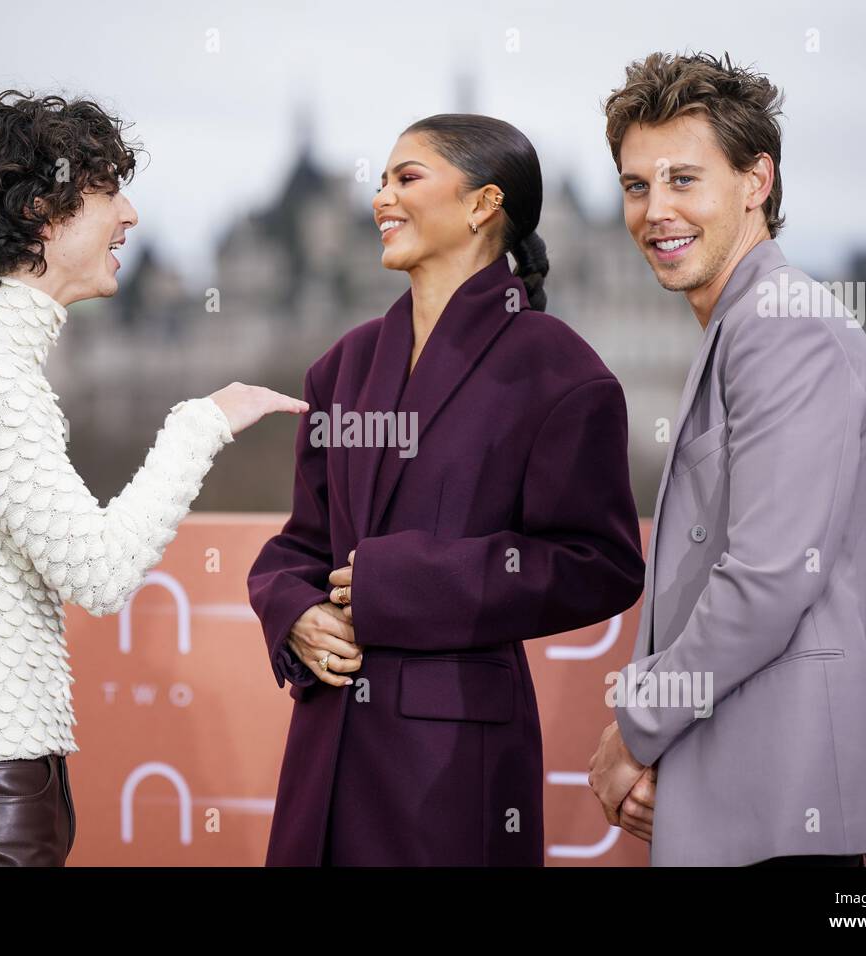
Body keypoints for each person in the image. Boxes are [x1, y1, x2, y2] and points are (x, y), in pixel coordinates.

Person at [0, 89, 305, 866]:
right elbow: (100, 572)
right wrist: (199, 424)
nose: (131, 214)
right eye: (107, 189)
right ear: (44, 209)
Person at [248, 113, 646, 865]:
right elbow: (300, 544)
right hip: (325, 748)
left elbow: (603, 563)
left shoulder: (562, 371)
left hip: (453, 767)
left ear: (481, 204)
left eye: (407, 178)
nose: (381, 198)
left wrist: (408, 582)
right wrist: (290, 607)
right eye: (380, 181)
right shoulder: (342, 366)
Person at [586, 52, 866, 866]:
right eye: (637, 186)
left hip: (785, 805)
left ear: (756, 180)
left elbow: (769, 575)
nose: (656, 211)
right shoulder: (745, 326)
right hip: (749, 796)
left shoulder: (783, 327)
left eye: (683, 179)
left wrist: (637, 728)